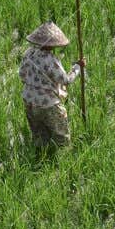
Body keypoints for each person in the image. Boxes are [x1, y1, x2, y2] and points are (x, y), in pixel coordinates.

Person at [20, 21, 83, 149]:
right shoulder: (51, 60)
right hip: (48, 104)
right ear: (53, 45)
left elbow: (22, 74)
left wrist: (34, 84)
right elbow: (66, 80)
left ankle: (40, 157)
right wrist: (77, 68)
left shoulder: (28, 53)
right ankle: (63, 162)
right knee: (62, 137)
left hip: (29, 101)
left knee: (39, 135)